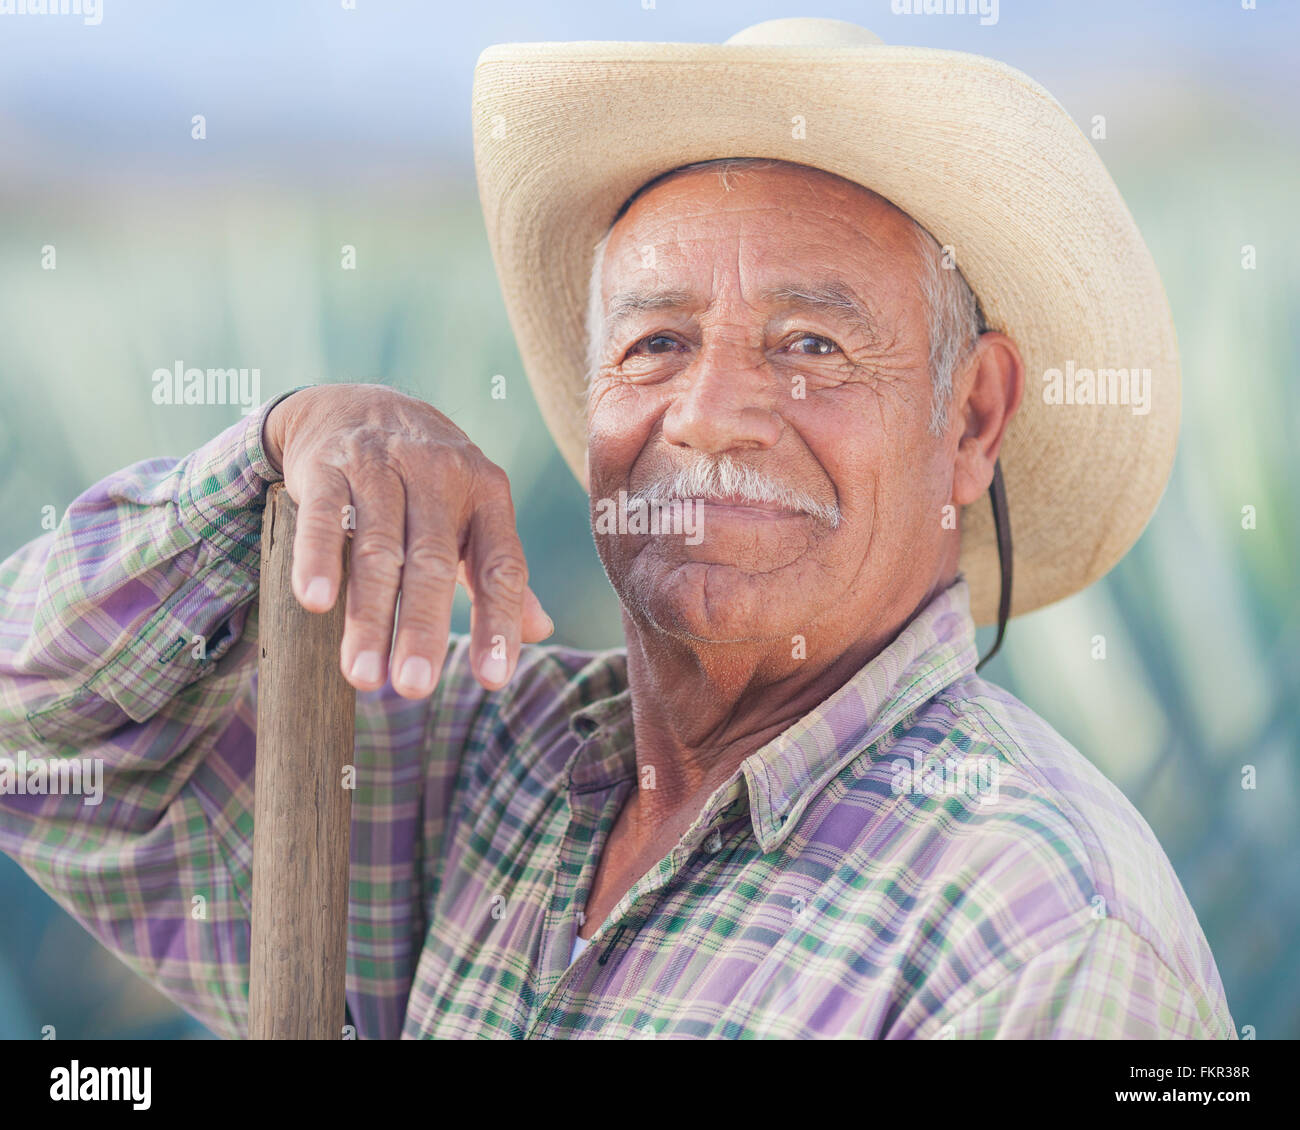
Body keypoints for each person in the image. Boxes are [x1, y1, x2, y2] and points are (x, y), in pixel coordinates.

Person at [0, 18, 1233, 1038]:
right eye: (656, 344)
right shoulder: (484, 777)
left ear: (970, 418)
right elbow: (31, 738)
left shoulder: (1041, 937)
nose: (709, 415)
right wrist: (287, 446)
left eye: (811, 344)